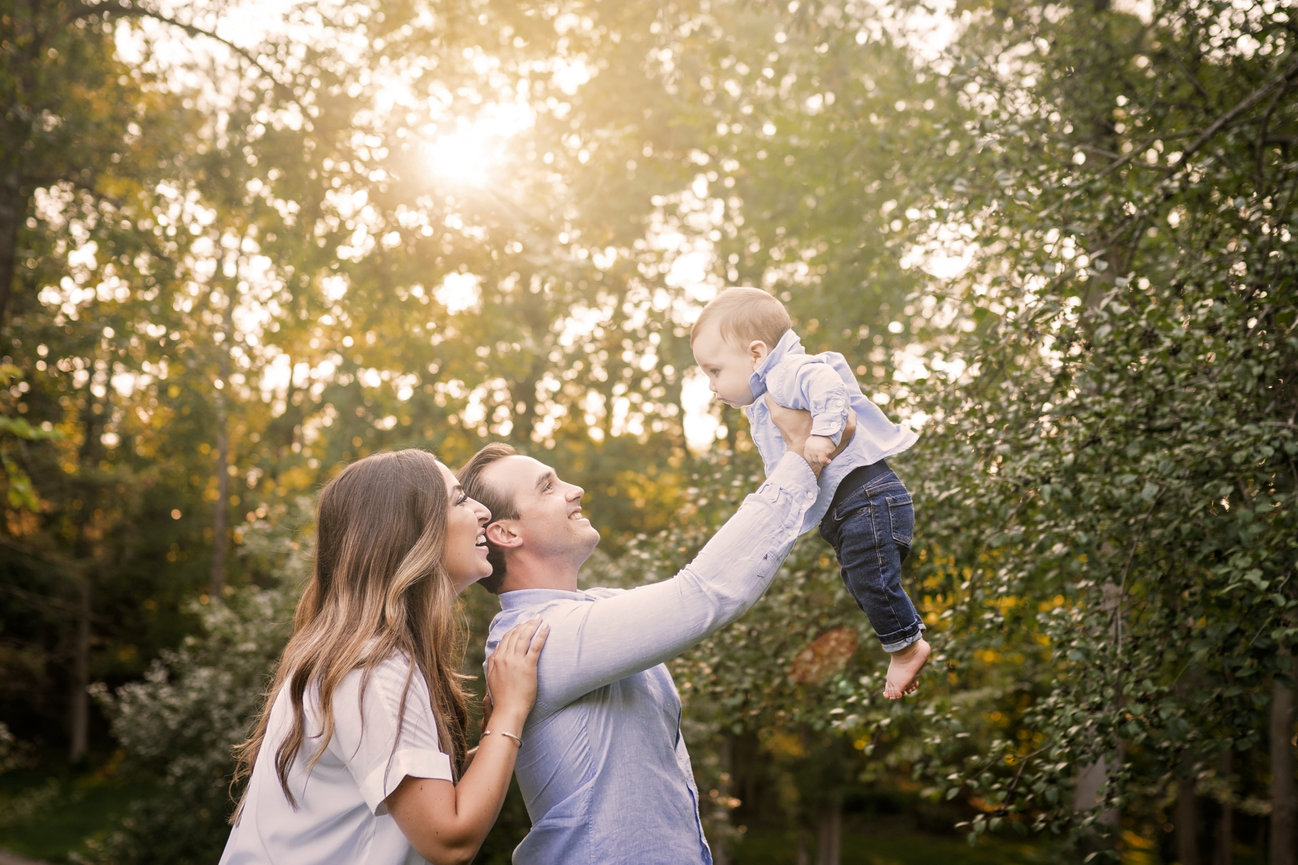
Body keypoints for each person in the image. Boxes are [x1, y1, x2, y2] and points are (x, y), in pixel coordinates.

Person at [457, 405, 844, 864]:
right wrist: (800, 461)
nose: (575, 490)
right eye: (548, 487)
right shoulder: (537, 639)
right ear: (505, 532)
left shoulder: (593, 609)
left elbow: (731, 568)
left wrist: (812, 459)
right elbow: (704, 595)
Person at [220, 449, 549, 865]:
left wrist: (502, 727)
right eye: (460, 500)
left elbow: (426, 793)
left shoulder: (366, 658)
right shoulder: (372, 672)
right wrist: (508, 716)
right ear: (408, 534)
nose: (483, 511)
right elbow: (449, 840)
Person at [691, 286, 930, 700]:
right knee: (861, 580)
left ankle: (907, 646)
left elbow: (831, 389)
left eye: (714, 371)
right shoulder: (768, 396)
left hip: (868, 499)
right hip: (854, 511)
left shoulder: (789, 372)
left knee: (870, 578)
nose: (712, 385)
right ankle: (902, 640)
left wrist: (823, 433)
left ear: (756, 353)